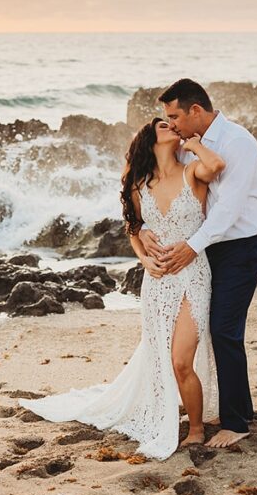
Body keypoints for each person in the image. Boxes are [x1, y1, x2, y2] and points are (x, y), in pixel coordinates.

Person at [18, 116, 225, 460]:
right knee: (163, 357)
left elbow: (216, 164)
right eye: (162, 125)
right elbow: (133, 228)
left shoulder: (193, 172)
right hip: (158, 281)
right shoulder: (138, 185)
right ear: (148, 139)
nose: (171, 126)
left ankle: (197, 429)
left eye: (174, 123)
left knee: (181, 359)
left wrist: (193, 143)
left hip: (193, 276)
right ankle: (183, 414)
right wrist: (145, 261)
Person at [140, 78, 257, 450]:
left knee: (224, 330)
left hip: (240, 248)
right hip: (206, 249)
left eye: (175, 115)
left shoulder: (237, 142)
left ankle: (236, 422)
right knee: (214, 333)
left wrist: (192, 247)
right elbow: (167, 190)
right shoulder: (185, 148)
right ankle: (236, 407)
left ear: (196, 110)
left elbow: (227, 211)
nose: (172, 124)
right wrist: (147, 229)